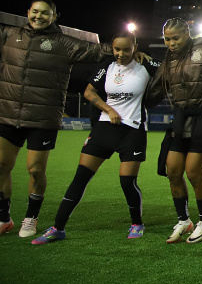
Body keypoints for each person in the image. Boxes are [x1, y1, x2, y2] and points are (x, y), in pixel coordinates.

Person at [0, 0, 117, 238]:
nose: (38, 17)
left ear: (54, 17)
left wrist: (126, 49)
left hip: (42, 117)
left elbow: (97, 50)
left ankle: (30, 218)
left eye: (45, 13)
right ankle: (3, 217)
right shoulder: (10, 34)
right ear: (28, 12)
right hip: (8, 113)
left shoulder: (64, 43)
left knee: (34, 169)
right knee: (1, 166)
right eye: (35, 12)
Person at [31, 32, 159, 243]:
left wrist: (147, 57)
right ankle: (57, 228)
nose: (120, 53)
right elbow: (89, 93)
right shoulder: (106, 67)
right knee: (80, 178)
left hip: (132, 130)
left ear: (134, 47)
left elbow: (169, 69)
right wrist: (109, 110)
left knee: (127, 181)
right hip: (104, 128)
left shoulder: (145, 64)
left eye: (126, 49)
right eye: (117, 49)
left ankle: (137, 223)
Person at [150, 18, 202, 244]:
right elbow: (154, 89)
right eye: (167, 39)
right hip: (181, 119)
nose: (171, 43)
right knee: (173, 171)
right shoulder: (168, 59)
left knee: (194, 173)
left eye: (176, 38)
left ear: (188, 33)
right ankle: (184, 220)